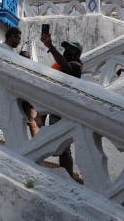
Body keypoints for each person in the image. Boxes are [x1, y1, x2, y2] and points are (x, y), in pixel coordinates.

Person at [41, 33, 83, 180]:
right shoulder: (62, 65)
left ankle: (69, 177)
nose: (66, 51)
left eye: (70, 49)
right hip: (56, 108)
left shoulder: (76, 66)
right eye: (65, 48)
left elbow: (67, 68)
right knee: (60, 146)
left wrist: (51, 48)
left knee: (64, 148)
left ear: (76, 54)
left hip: (64, 111)